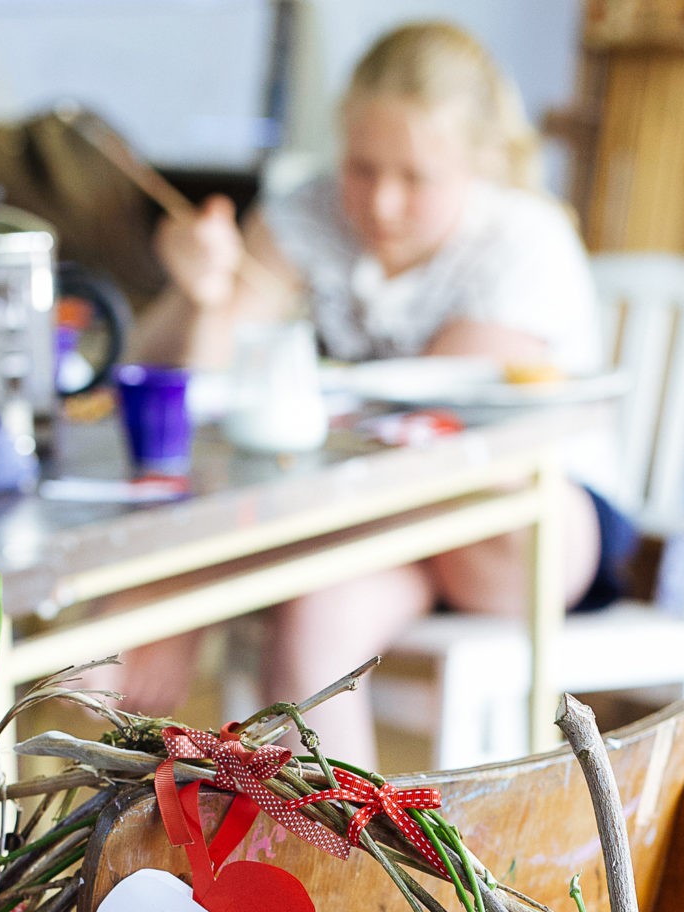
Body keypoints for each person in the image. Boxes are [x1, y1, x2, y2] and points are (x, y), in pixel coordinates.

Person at [122, 21, 631, 762]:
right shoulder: (309, 212)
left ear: (477, 162)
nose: (381, 203)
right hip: (368, 521)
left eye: (415, 178)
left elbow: (433, 454)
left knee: (201, 575)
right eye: (361, 168)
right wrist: (199, 296)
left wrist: (185, 587)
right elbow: (212, 386)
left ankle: (182, 592)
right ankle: (343, 841)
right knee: (314, 622)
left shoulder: (524, 241)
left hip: (519, 527)